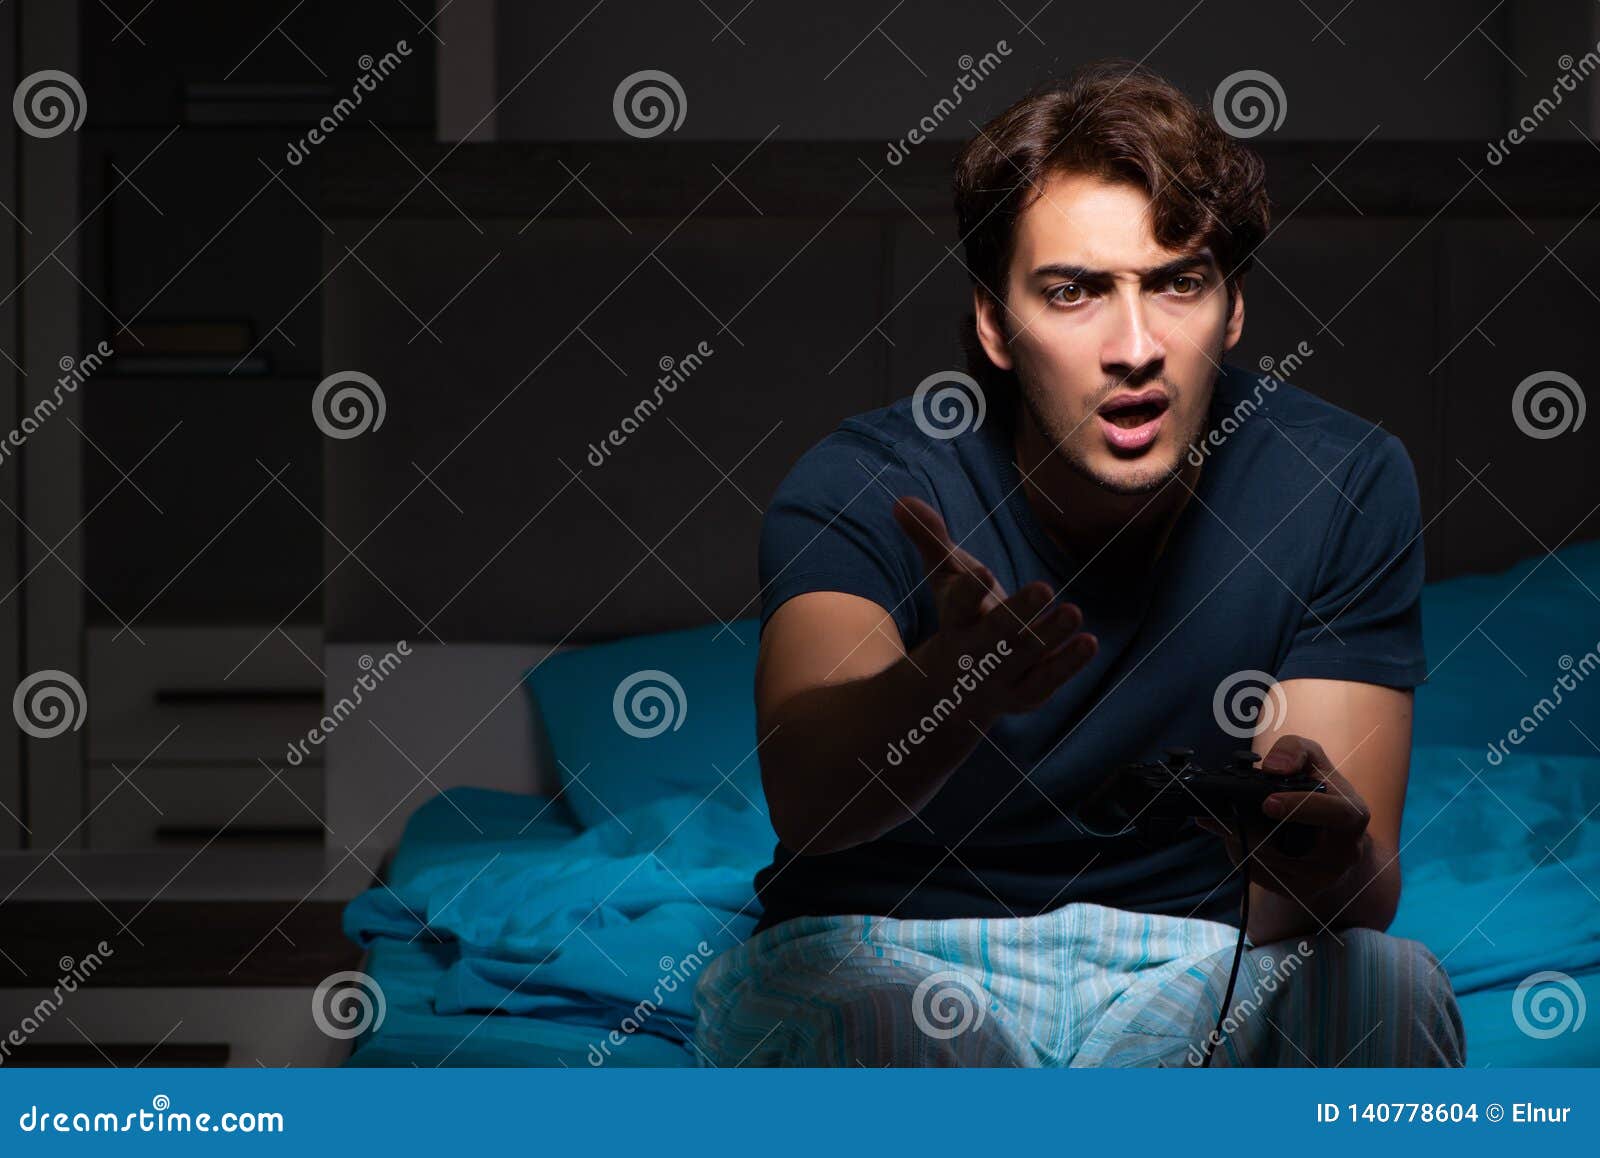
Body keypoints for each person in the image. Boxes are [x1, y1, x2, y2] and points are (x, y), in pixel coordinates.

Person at [693, 61, 1465, 1067]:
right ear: (993, 324)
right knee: (893, 1036)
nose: (1134, 345)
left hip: (1189, 970)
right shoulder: (865, 483)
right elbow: (807, 792)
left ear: (1230, 309)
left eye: (1177, 282)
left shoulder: (1341, 481)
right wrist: (955, 683)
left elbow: (1350, 897)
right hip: (889, 954)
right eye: (1074, 292)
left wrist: (1311, 850)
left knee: (1383, 980)